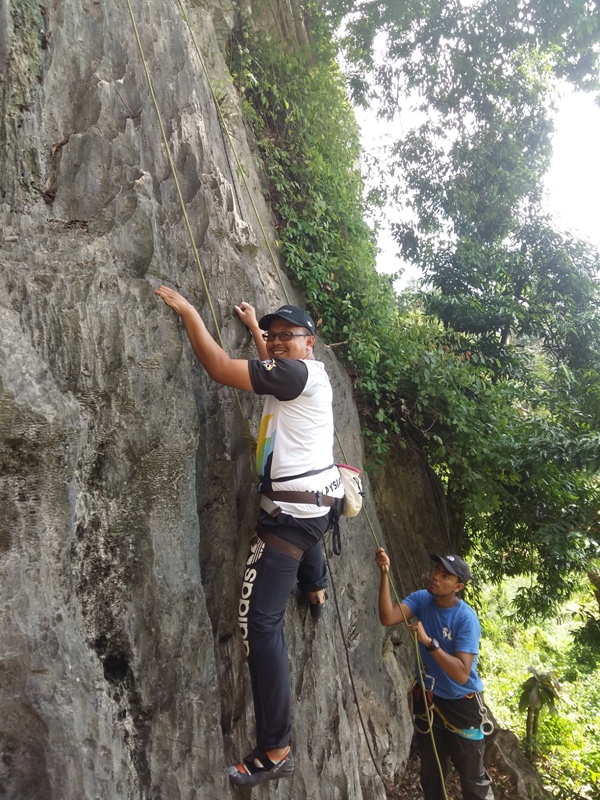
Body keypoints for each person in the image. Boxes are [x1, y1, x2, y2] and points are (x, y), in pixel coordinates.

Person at [154, 286, 344, 787]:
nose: (278, 342)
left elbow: (219, 368)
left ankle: (276, 748)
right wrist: (257, 328)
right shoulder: (306, 374)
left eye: (289, 336)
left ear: (310, 343)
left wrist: (190, 311)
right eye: (274, 335)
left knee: (258, 625)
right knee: (308, 542)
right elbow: (273, 369)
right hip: (321, 503)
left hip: (291, 517)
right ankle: (314, 582)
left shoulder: (298, 372)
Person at [374, 548, 494, 800]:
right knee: (432, 772)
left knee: (472, 776)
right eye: (436, 571)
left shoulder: (465, 618)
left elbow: (462, 674)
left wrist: (429, 643)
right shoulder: (421, 599)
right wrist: (384, 573)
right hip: (429, 699)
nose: (436, 577)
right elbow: (388, 617)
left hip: (462, 703)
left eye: (445, 576)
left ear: (458, 586)